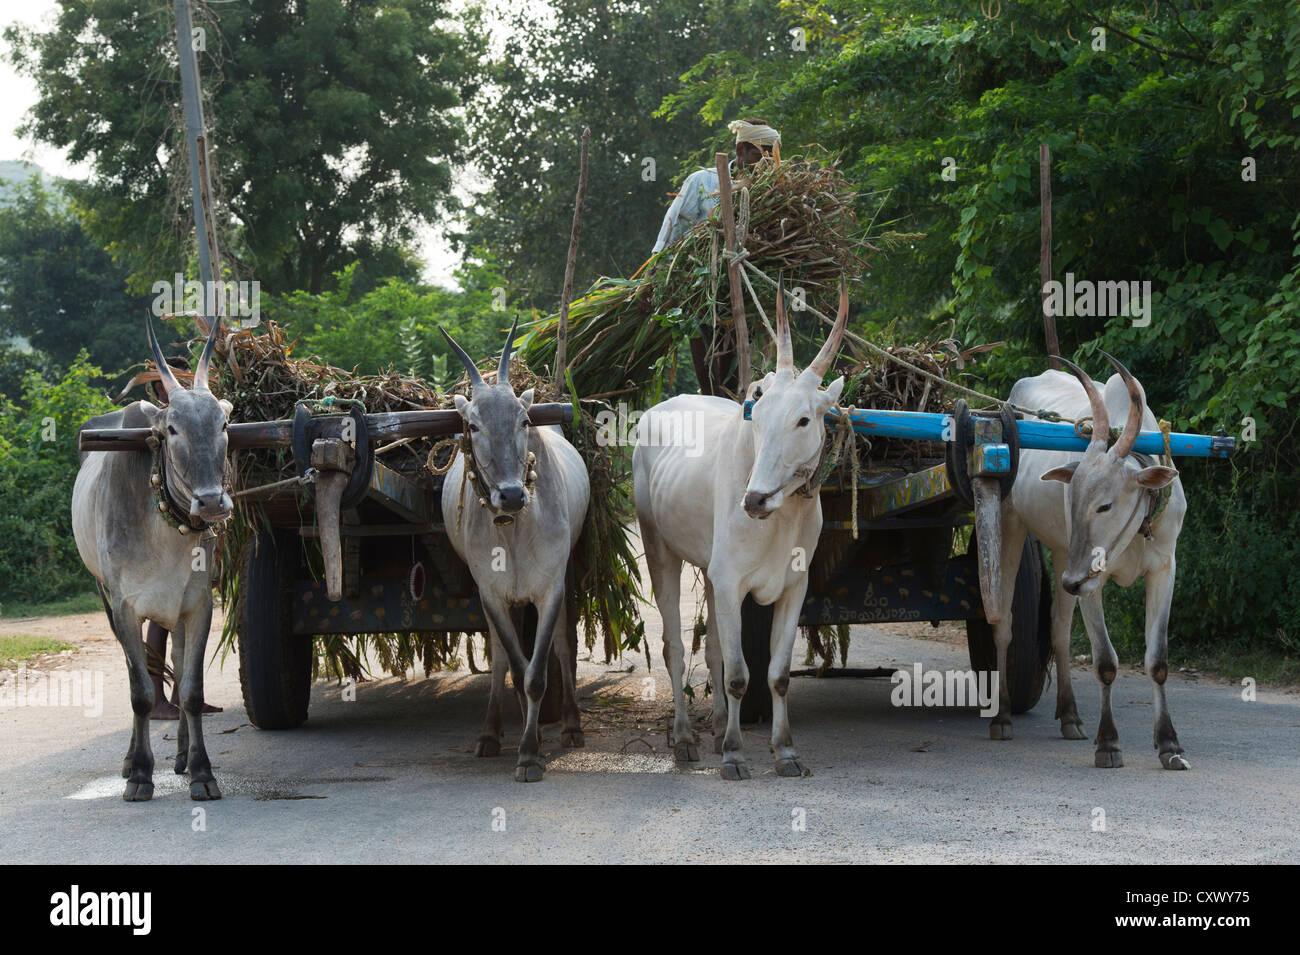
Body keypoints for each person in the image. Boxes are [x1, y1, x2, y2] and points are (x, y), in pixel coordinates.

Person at [651, 118, 782, 396]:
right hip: (702, 288)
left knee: (734, 378)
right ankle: (709, 404)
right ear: (741, 152)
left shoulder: (773, 192)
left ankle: (729, 409)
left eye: (772, 155)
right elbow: (671, 229)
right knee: (708, 368)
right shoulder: (704, 181)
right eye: (760, 154)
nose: (765, 163)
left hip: (745, 292)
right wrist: (654, 277)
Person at [145, 355, 223, 720]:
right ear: (159, 387)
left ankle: (187, 695)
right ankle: (157, 699)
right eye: (169, 380)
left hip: (198, 531)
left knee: (191, 615)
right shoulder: (159, 422)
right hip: (164, 533)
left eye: (182, 377)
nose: (176, 384)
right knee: (164, 618)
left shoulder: (204, 415)